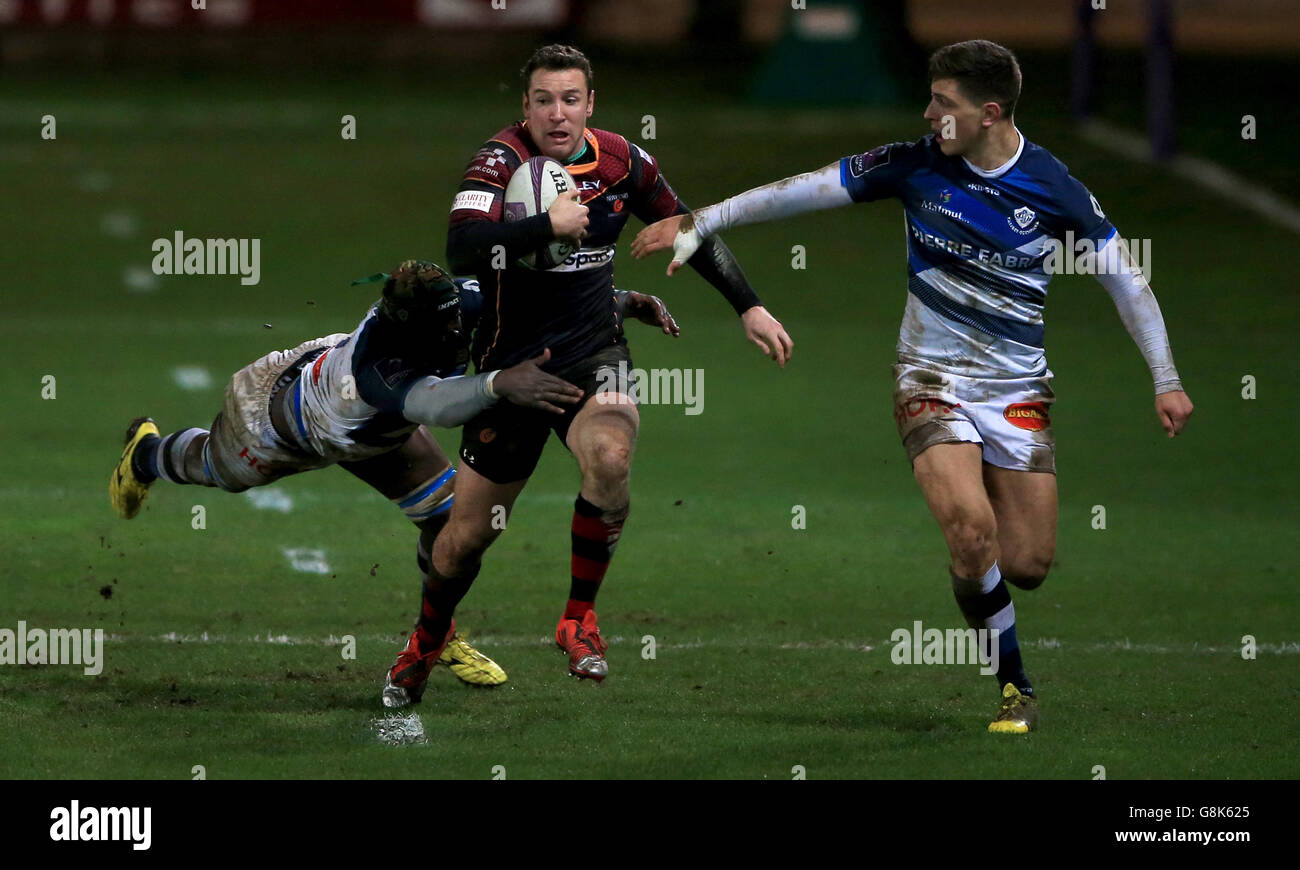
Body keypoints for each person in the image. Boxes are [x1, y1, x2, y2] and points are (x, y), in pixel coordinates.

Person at [632, 40, 1194, 732]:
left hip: (1016, 389)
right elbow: (806, 188)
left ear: (990, 113)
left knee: (1027, 562)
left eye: (945, 104)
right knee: (969, 529)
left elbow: (1126, 281)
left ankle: (978, 572)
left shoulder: (1053, 187)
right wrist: (702, 219)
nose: (929, 114)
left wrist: (1165, 380)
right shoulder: (913, 164)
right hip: (928, 377)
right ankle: (1014, 685)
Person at [108, 259, 679, 707]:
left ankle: (436, 631)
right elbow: (440, 404)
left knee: (452, 523)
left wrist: (623, 302)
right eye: (447, 324)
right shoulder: (382, 364)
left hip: (376, 434)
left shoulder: (449, 305)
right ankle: (147, 453)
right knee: (218, 470)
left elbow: (533, 301)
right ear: (414, 330)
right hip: (287, 423)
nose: (459, 327)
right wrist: (504, 382)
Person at [440, 43, 794, 681]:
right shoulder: (499, 161)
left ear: (590, 104)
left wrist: (749, 306)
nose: (557, 113)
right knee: (468, 536)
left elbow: (687, 227)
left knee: (611, 459)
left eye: (570, 99)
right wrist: (544, 227)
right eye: (543, 100)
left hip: (593, 351)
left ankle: (578, 619)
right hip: (511, 368)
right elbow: (463, 248)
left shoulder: (622, 161)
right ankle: (425, 642)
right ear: (525, 107)